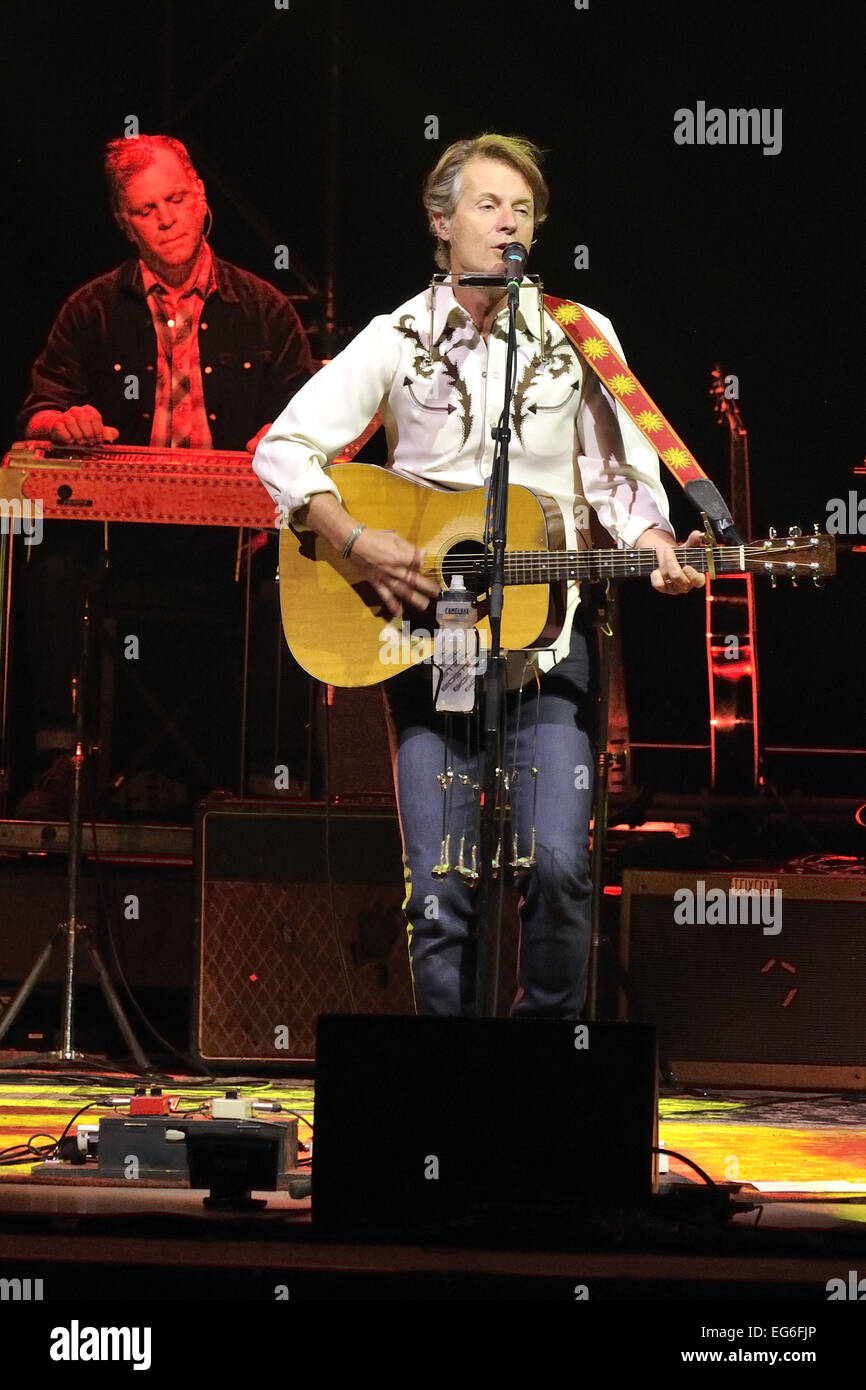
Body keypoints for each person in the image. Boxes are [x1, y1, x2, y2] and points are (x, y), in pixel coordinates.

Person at [253, 133, 704, 1017]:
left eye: (524, 210)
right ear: (442, 221)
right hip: (435, 637)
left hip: (548, 637)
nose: (509, 224)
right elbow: (282, 449)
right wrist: (351, 539)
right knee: (441, 888)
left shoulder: (581, 333)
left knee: (565, 870)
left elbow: (621, 479)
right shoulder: (397, 338)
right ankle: (446, 1098)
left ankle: (542, 1088)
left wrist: (653, 539)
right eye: (490, 205)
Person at [14, 134, 313, 816]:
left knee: (292, 583)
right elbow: (39, 408)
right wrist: (64, 423)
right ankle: (68, 761)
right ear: (125, 222)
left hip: (236, 551)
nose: (167, 218)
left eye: (176, 199)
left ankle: (274, 782)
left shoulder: (264, 309)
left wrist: (288, 434)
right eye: (147, 209)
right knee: (53, 559)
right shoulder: (91, 310)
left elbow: (321, 424)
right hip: (123, 545)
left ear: (201, 198)